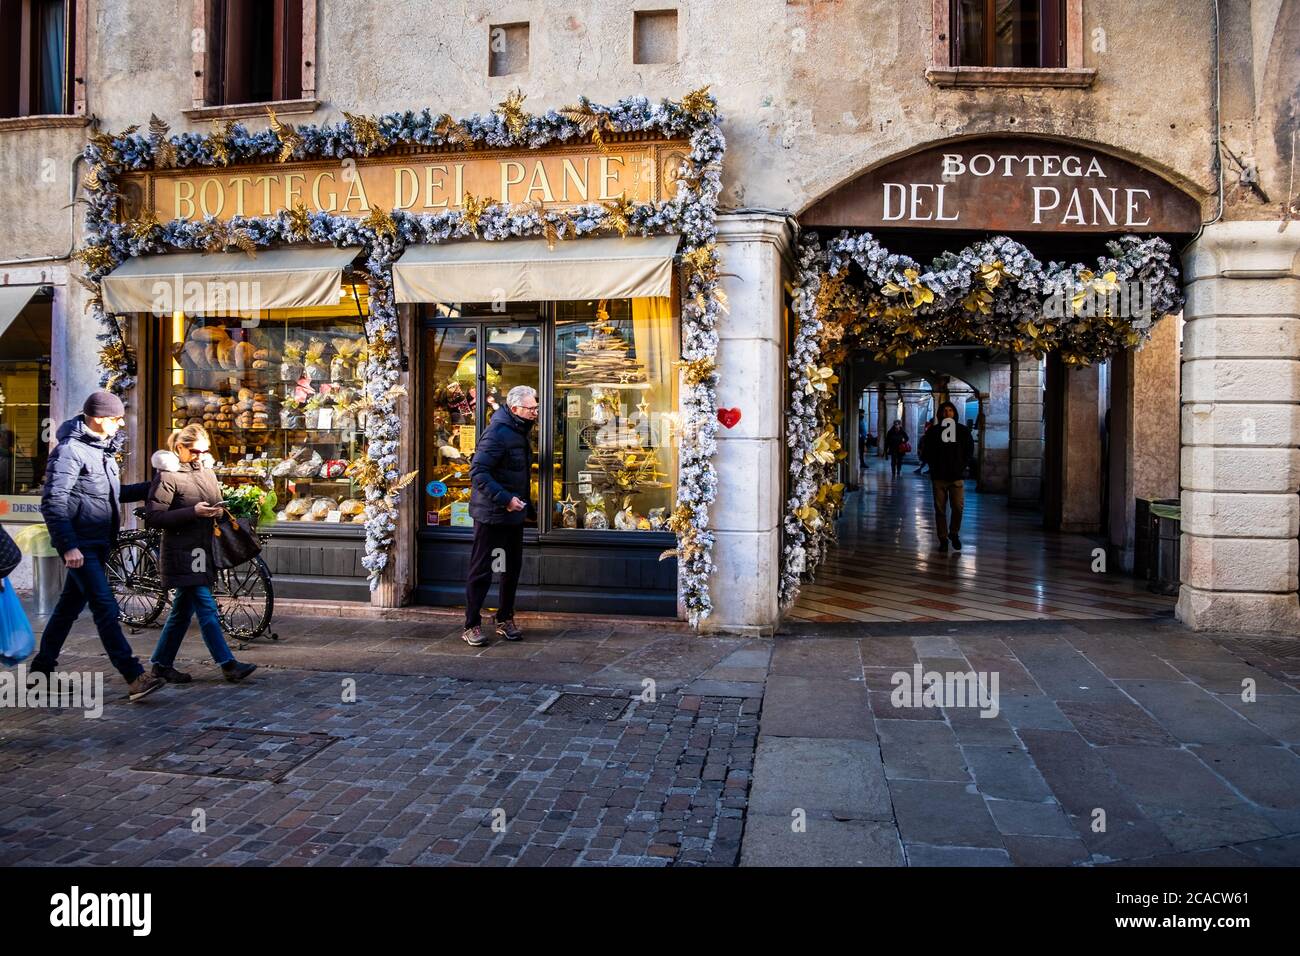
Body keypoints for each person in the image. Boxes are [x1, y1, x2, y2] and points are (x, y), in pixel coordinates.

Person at [31, 391, 163, 701]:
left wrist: (156, 484)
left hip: (98, 543)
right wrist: (68, 547)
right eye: (117, 419)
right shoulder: (70, 451)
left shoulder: (100, 450)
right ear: (100, 418)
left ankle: (40, 673)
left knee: (66, 610)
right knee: (105, 607)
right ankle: (133, 675)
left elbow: (112, 494)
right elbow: (53, 502)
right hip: (81, 546)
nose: (120, 424)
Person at [144, 425, 257, 683]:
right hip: (182, 552)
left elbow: (214, 502)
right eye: (194, 451)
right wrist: (192, 512)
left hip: (203, 548)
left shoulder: (207, 471)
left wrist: (217, 511)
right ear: (179, 448)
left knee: (182, 611)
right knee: (206, 607)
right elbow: (153, 517)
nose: (199, 456)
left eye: (203, 451)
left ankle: (161, 664)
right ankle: (228, 664)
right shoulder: (167, 476)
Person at [462, 384, 539, 646]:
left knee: (509, 568)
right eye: (532, 408)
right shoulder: (497, 433)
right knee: (482, 570)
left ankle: (505, 618)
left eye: (536, 407)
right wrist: (506, 500)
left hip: (513, 515)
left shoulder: (519, 430)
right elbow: (478, 473)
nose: (536, 412)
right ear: (516, 408)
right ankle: (471, 624)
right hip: (491, 514)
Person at [920, 400, 975, 553]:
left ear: (954, 413)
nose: (947, 413)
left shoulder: (962, 431)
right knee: (940, 510)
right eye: (945, 411)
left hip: (956, 476)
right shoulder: (934, 431)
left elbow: (969, 450)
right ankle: (943, 538)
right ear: (940, 414)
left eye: (950, 410)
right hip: (939, 477)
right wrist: (933, 466)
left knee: (958, 507)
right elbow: (927, 451)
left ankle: (954, 532)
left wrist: (963, 466)